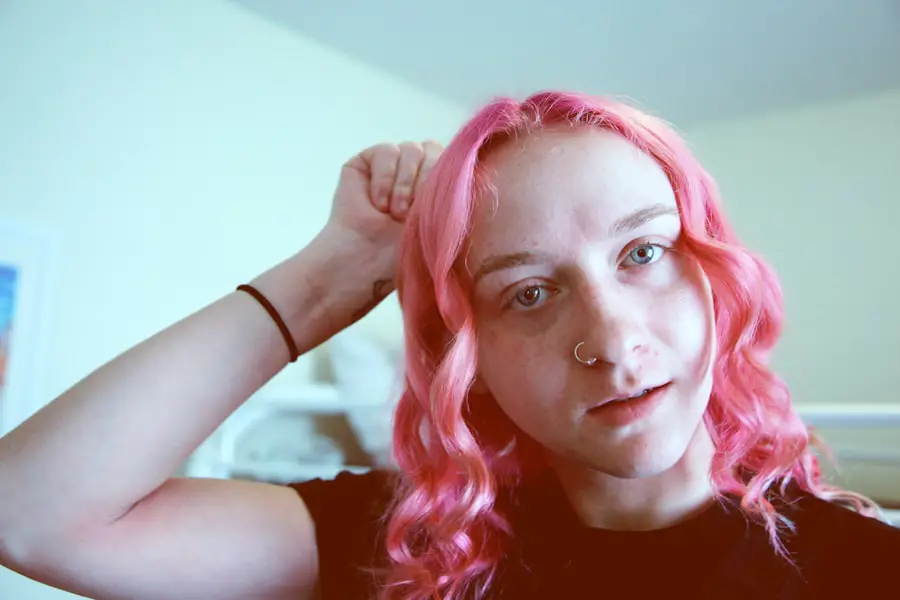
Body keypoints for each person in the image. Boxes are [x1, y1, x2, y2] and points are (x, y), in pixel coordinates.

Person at [0, 91, 897, 600]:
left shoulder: (865, 569)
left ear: (715, 276)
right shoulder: (411, 550)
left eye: (643, 253)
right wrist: (329, 279)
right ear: (473, 359)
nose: (612, 338)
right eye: (529, 292)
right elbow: (30, 515)